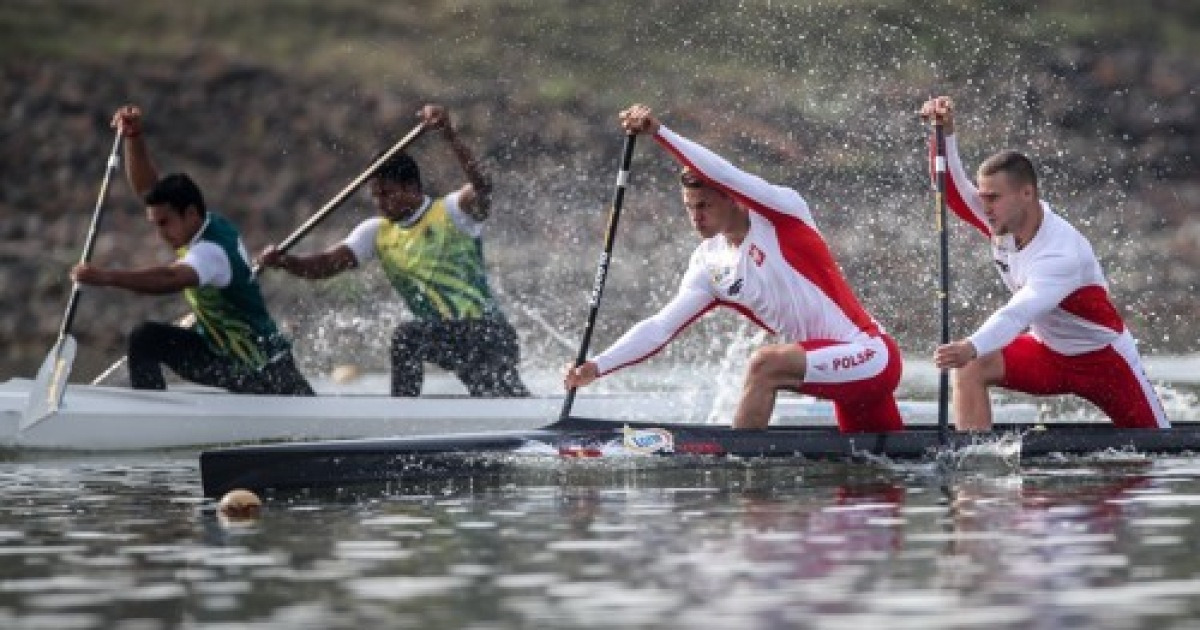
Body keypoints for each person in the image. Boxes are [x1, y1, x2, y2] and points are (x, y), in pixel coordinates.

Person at [563, 104, 905, 432]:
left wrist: (660, 134)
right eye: (689, 207)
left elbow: (723, 173)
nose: (696, 217)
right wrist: (597, 366)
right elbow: (660, 327)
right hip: (830, 374)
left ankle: (743, 470)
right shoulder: (709, 264)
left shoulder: (781, 214)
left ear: (732, 197)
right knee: (874, 477)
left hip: (869, 356)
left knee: (764, 365)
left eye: (706, 205)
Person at [922, 95, 1168, 430]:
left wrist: (971, 344)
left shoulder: (1061, 253)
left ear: (1026, 194)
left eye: (993, 198)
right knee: (970, 368)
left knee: (1157, 449)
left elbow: (1019, 312)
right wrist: (943, 134)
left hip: (1104, 363)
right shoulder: (1001, 221)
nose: (985, 208)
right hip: (1048, 354)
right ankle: (972, 462)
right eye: (984, 198)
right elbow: (949, 191)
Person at [258, 104, 529, 398]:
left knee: (406, 337)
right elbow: (326, 265)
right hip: (447, 338)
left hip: (488, 333)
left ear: (412, 187)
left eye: (387, 194)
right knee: (501, 399)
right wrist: (286, 262)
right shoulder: (376, 233)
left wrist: (450, 135)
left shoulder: (452, 211)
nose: (380, 203)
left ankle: (401, 412)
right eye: (376, 196)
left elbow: (483, 186)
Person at [70, 105, 314, 395]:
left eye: (165, 223)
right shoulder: (199, 222)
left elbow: (170, 279)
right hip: (219, 355)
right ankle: (149, 417)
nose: (161, 234)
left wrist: (107, 277)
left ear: (191, 214)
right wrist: (134, 138)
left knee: (146, 336)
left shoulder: (211, 250)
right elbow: (149, 190)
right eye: (155, 225)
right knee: (146, 338)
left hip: (263, 368)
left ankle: (151, 425)